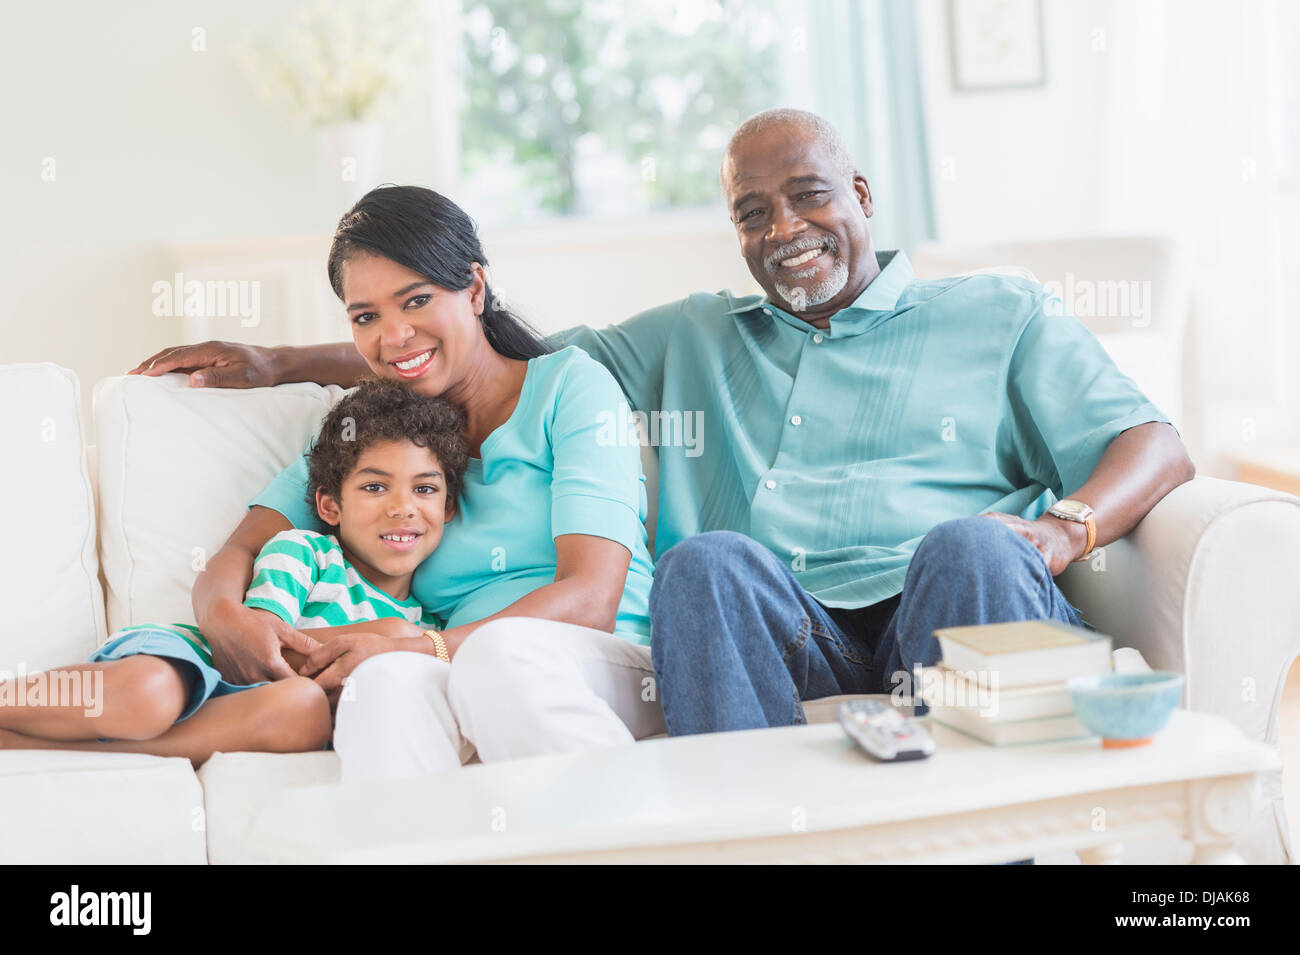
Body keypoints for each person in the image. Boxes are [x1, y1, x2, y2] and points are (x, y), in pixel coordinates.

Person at [130, 109, 1195, 740]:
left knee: (969, 542)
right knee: (705, 562)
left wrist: (1063, 530)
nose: (784, 230)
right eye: (750, 211)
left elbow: (1152, 441)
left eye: (808, 196)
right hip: (790, 636)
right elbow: (465, 345)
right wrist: (279, 362)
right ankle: (749, 848)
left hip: (952, 595)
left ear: (862, 194)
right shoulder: (688, 336)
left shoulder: (994, 308)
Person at [133, 185, 665, 779]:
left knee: (494, 656)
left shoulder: (571, 387)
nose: (393, 337)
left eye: (416, 301)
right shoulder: (380, 427)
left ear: (476, 288)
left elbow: (592, 599)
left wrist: (418, 647)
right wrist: (224, 615)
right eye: (367, 317)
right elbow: (242, 548)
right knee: (379, 686)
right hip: (458, 665)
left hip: (606, 659)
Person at [0, 378, 464, 766]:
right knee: (149, 695)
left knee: (301, 711)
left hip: (259, 713)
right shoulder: (304, 552)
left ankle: (49, 750)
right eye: (375, 486)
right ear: (329, 505)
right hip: (196, 666)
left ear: (447, 510)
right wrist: (387, 637)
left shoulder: (431, 630)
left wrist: (400, 646)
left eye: (424, 489)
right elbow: (259, 652)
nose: (403, 508)